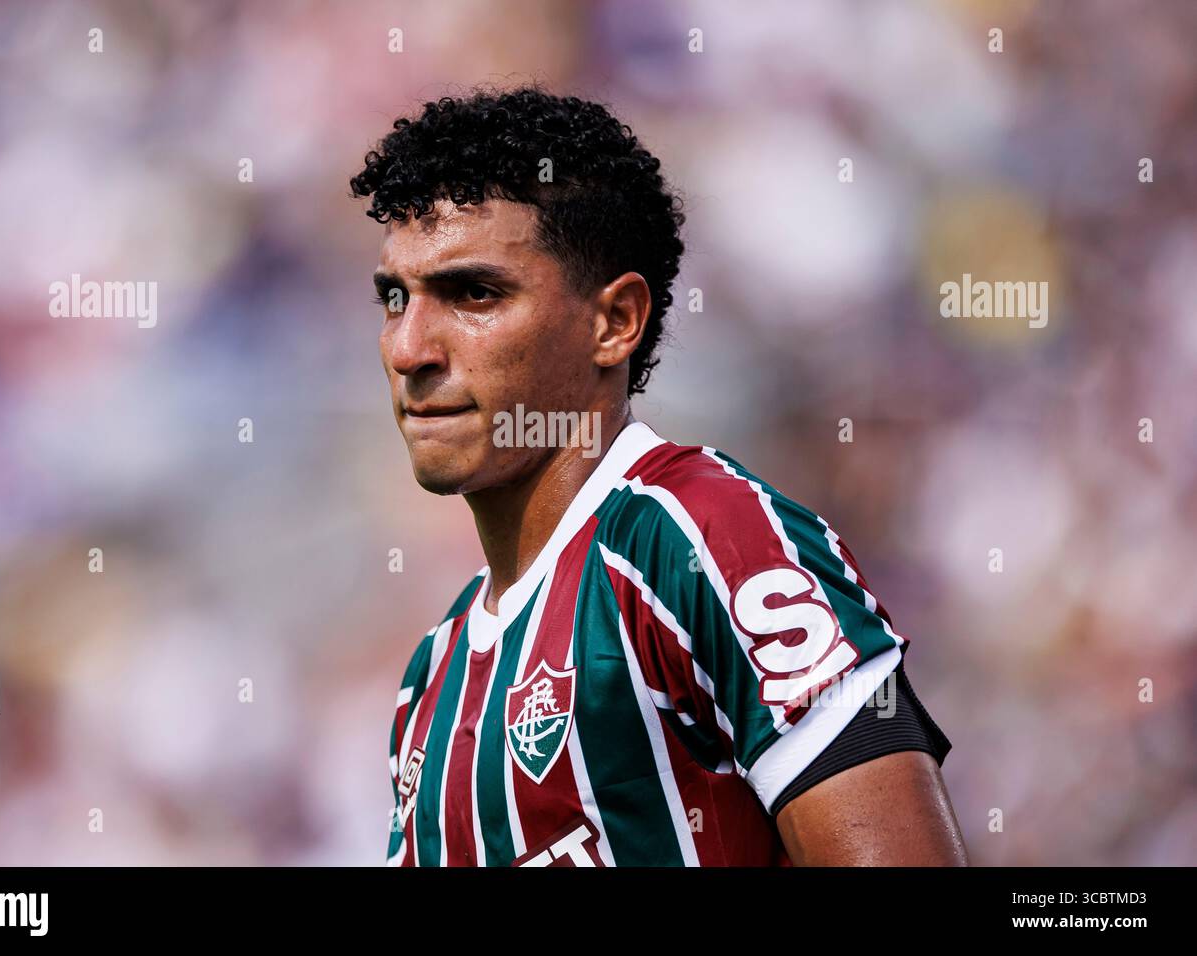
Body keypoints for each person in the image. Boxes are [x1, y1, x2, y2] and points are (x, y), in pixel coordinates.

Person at [350, 86, 967, 866]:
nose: (409, 349)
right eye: (394, 298)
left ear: (615, 322)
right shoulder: (429, 683)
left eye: (474, 294)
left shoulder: (702, 540)